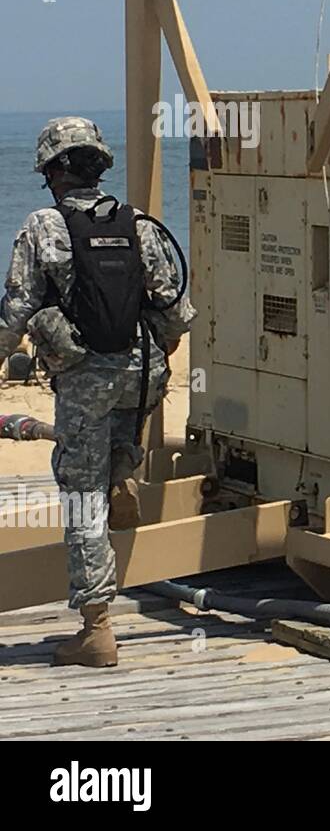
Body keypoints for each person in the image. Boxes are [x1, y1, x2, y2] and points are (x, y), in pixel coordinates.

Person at [0, 116, 194, 667]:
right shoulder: (141, 226)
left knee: (79, 495)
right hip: (144, 376)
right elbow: (177, 311)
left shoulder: (43, 227)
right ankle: (122, 472)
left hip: (85, 381)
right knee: (113, 452)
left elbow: (15, 312)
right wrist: (157, 358)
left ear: (55, 171)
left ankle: (96, 628)